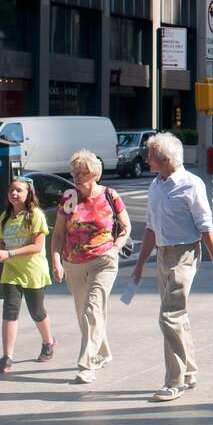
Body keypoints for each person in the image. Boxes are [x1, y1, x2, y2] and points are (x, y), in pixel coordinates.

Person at [130, 132, 213, 403]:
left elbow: (206, 227)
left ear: (165, 158)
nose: (146, 158)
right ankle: (189, 371)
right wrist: (140, 264)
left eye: (150, 155)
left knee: (169, 316)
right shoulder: (156, 184)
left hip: (185, 252)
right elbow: (151, 227)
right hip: (164, 254)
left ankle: (173, 381)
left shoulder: (191, 184)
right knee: (178, 315)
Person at [52, 150, 130, 385]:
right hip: (73, 263)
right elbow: (57, 234)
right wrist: (56, 261)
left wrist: (115, 247)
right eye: (74, 172)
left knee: (91, 308)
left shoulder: (109, 195)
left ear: (95, 174)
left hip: (103, 260)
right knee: (85, 314)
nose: (76, 177)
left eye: (82, 172)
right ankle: (103, 351)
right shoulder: (68, 198)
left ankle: (86, 365)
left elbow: (125, 227)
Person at [0, 177, 55, 374]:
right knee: (9, 311)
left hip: (33, 270)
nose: (14, 193)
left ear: (28, 195)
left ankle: (48, 342)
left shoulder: (36, 215)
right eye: (11, 190)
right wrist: (0, 251)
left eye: (19, 190)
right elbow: (2, 241)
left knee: (37, 311)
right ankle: (7, 357)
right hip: (11, 271)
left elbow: (38, 246)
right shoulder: (5, 216)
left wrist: (9, 253)